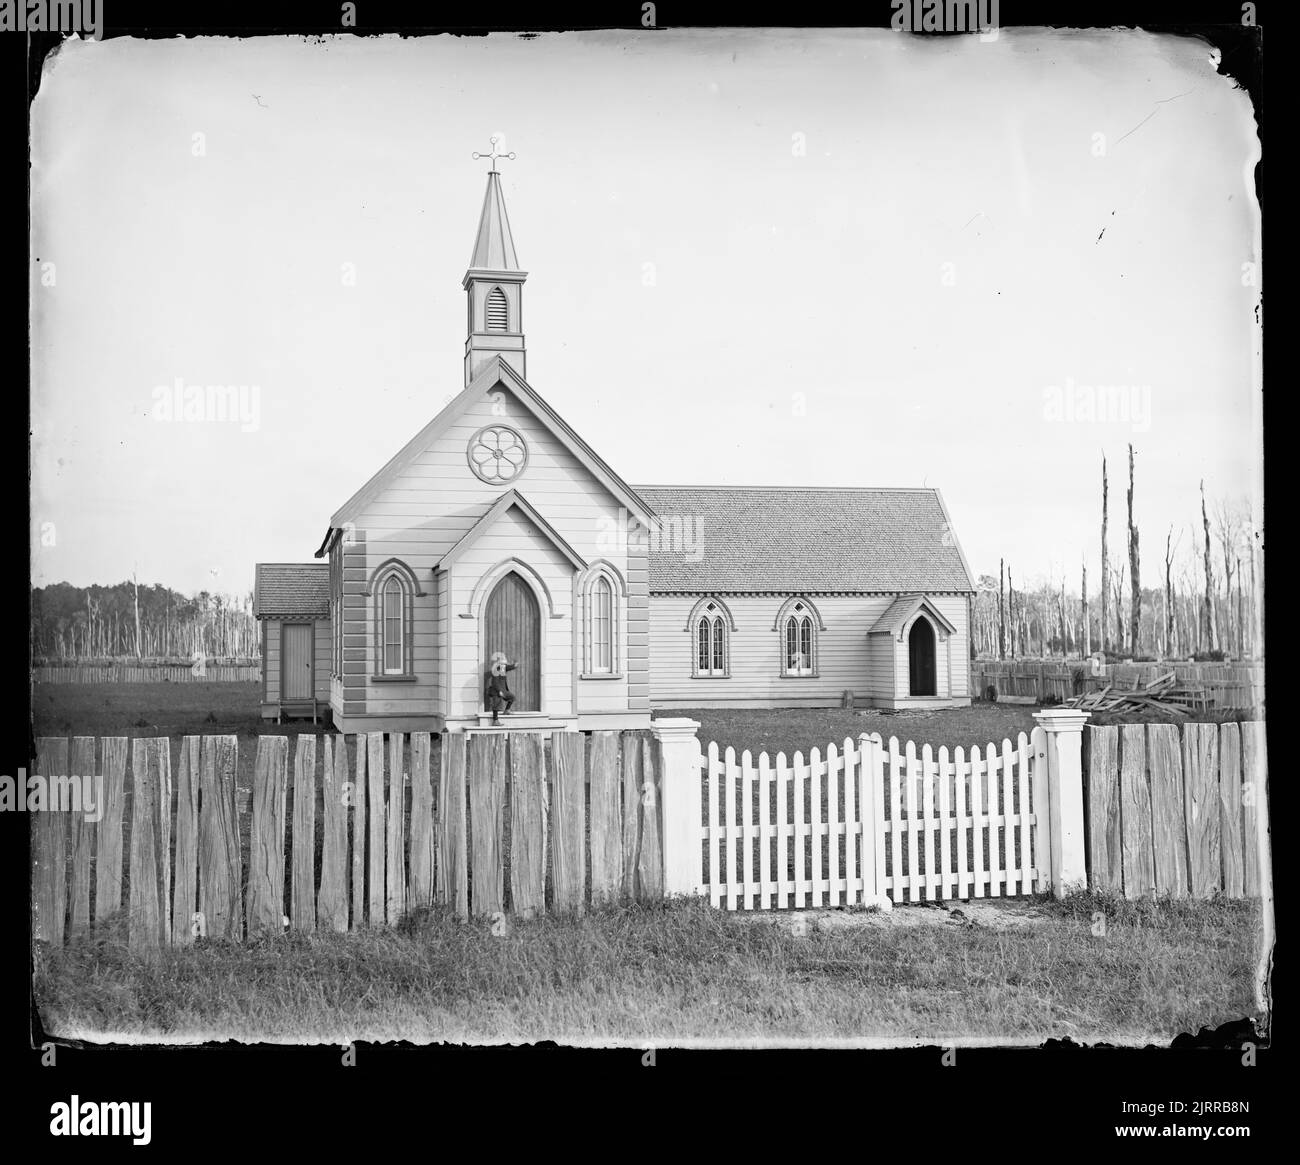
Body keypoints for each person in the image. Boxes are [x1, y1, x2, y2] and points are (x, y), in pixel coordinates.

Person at [485, 652, 517, 725]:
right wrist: (499, 691)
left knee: (512, 697)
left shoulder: (502, 668)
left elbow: (509, 667)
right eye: (503, 664)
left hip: (503, 690)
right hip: (496, 691)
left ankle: (507, 710)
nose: (505, 665)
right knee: (496, 705)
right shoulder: (496, 670)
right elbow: (495, 682)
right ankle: (495, 721)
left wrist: (514, 665)